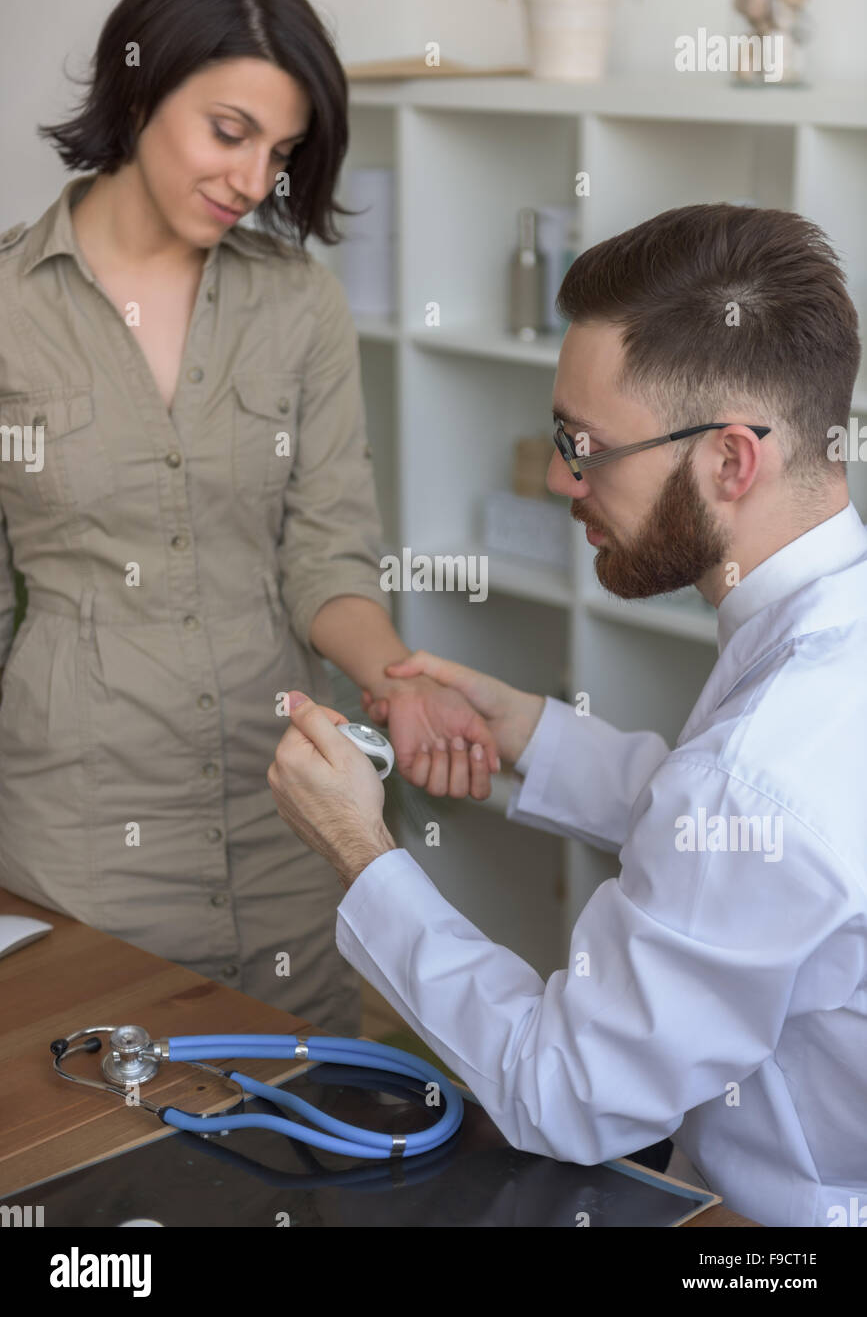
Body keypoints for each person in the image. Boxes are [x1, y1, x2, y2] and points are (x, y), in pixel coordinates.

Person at [266, 203, 867, 1227]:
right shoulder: (821, 637)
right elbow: (734, 851)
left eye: (586, 447)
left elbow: (562, 1093)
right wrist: (524, 728)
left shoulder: (757, 774)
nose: (557, 478)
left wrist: (361, 851)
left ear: (731, 461)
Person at [0, 0, 497, 1038]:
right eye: (229, 132)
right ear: (139, 87)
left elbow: (327, 548)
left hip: (288, 814)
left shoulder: (298, 305)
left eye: (281, 150)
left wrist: (396, 683)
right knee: (93, 1118)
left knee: (303, 1102)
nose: (253, 179)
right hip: (77, 835)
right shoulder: (9, 311)